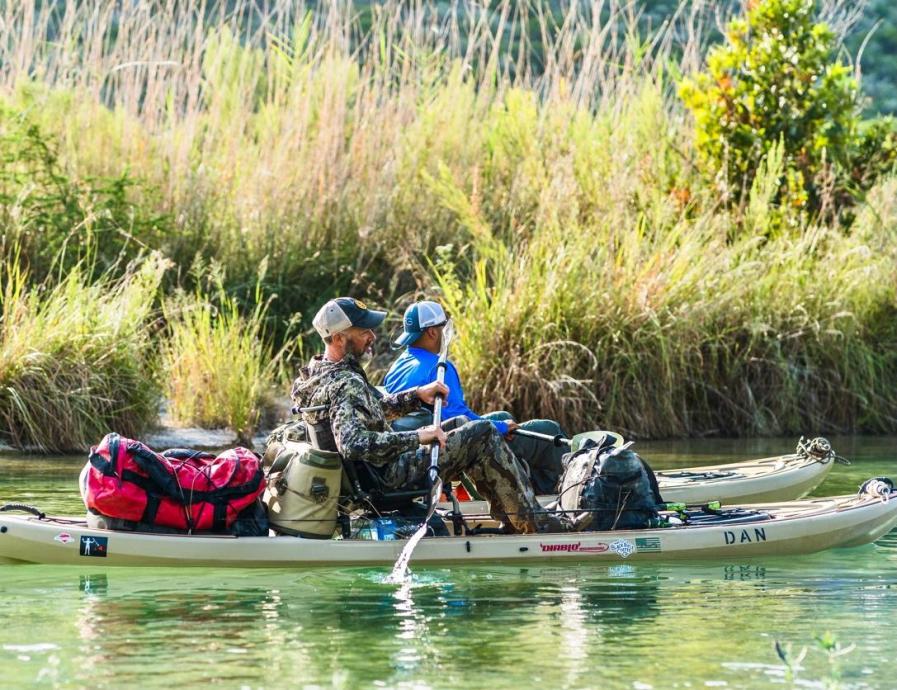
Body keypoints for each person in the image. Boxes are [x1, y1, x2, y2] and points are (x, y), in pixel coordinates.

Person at [290, 297, 563, 534]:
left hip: (373, 476)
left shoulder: (319, 375)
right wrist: (419, 436)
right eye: (364, 331)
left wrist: (416, 395)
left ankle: (511, 518)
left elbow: (367, 412)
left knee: (461, 424)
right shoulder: (345, 383)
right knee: (483, 433)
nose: (372, 336)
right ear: (338, 338)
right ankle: (535, 523)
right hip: (387, 479)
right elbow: (354, 445)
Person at [383, 300, 567, 495]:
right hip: (446, 446)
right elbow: (459, 421)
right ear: (432, 332)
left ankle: (524, 486)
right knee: (548, 429)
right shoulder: (439, 368)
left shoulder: (397, 366)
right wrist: (502, 428)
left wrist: (499, 423)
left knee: (500, 414)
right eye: (443, 326)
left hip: (414, 446)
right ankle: (558, 496)